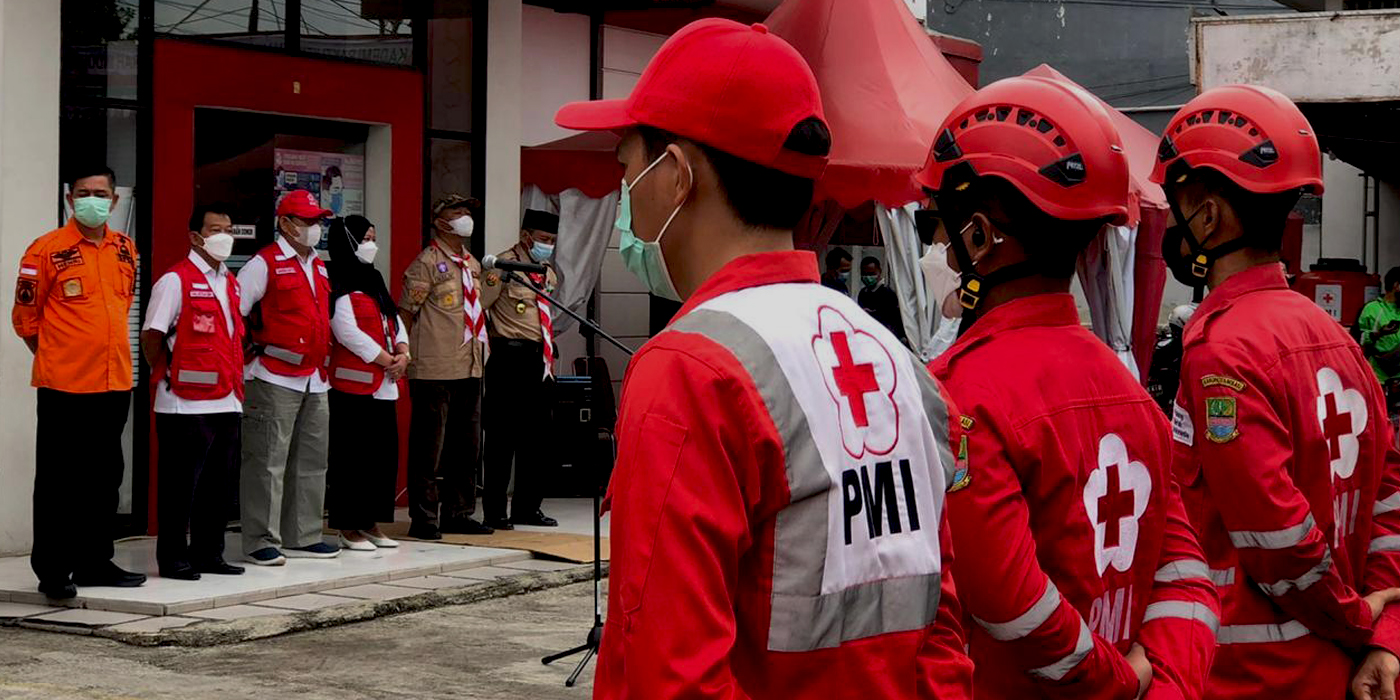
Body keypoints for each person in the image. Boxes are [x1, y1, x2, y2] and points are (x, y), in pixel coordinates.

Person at [554, 18, 973, 698]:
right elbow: (943, 631)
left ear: (679, 175)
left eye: (627, 165)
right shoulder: (896, 360)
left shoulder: (691, 369)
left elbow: (668, 673)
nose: (626, 191)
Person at [919, 76, 1219, 699]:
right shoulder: (1131, 388)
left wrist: (1118, 686)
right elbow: (1187, 576)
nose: (940, 249)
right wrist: (1160, 686)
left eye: (943, 232)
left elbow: (1008, 605)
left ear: (979, 236)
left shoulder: (958, 395)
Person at [1150, 85, 1400, 700]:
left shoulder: (1220, 350)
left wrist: (1360, 621)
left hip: (1252, 676)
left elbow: (1277, 540)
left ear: (1207, 217)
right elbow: (1390, 496)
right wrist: (1381, 635)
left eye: (1177, 202)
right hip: (1341, 668)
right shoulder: (1336, 336)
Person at [11, 164, 146, 599]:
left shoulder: (126, 249)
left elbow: (120, 309)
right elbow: (25, 319)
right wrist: (56, 356)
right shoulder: (45, 250)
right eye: (84, 192)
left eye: (101, 192)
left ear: (114, 199)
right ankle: (53, 569)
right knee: (58, 482)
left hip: (113, 382)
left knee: (105, 477)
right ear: (70, 199)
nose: (93, 199)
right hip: (65, 386)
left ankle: (95, 561)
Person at [141, 204, 248, 581]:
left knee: (218, 486)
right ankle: (173, 559)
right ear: (195, 236)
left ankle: (209, 554)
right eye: (215, 229)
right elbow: (152, 335)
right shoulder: (176, 280)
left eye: (228, 228)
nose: (224, 236)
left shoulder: (229, 281)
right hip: (183, 403)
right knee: (179, 487)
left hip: (227, 397)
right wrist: (167, 370)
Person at [236, 189, 339, 565]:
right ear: (285, 223)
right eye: (308, 221)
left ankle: (304, 533)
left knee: (312, 460)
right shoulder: (263, 263)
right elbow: (236, 313)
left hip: (314, 376)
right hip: (273, 375)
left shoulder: (319, 265)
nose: (315, 228)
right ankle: (261, 538)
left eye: (318, 222)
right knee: (267, 462)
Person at [399, 195, 493, 539]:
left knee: (467, 446)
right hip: (434, 367)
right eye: (458, 212)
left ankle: (459, 512)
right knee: (429, 448)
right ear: (440, 221)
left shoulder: (471, 263)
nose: (466, 217)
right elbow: (406, 313)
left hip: (470, 364)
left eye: (468, 211)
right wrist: (404, 353)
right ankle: (424, 517)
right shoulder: (426, 263)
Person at [326, 216, 407, 551]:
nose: (371, 244)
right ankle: (348, 526)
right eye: (365, 238)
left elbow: (394, 318)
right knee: (351, 458)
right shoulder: (335, 277)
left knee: (381, 456)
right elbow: (345, 330)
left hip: (384, 385)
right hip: (353, 384)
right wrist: (386, 360)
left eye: (374, 237)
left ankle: (371, 521)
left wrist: (403, 352)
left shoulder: (373, 277)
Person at [479, 208, 561, 530]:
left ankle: (527, 507)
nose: (548, 245)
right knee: (501, 438)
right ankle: (495, 511)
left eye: (552, 241)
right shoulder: (501, 267)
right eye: (543, 239)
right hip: (508, 356)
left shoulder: (546, 271)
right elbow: (479, 305)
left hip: (539, 360)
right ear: (526, 236)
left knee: (537, 438)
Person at [1359, 267, 1400, 418]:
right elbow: (1358, 338)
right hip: (1378, 374)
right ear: (1397, 285)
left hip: (1399, 373)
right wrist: (1380, 333)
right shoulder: (1372, 309)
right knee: (1379, 416)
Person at [857, 256, 905, 342]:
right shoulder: (863, 293)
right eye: (864, 274)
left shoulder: (888, 294)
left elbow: (893, 320)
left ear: (879, 272)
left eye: (871, 274)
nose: (868, 277)